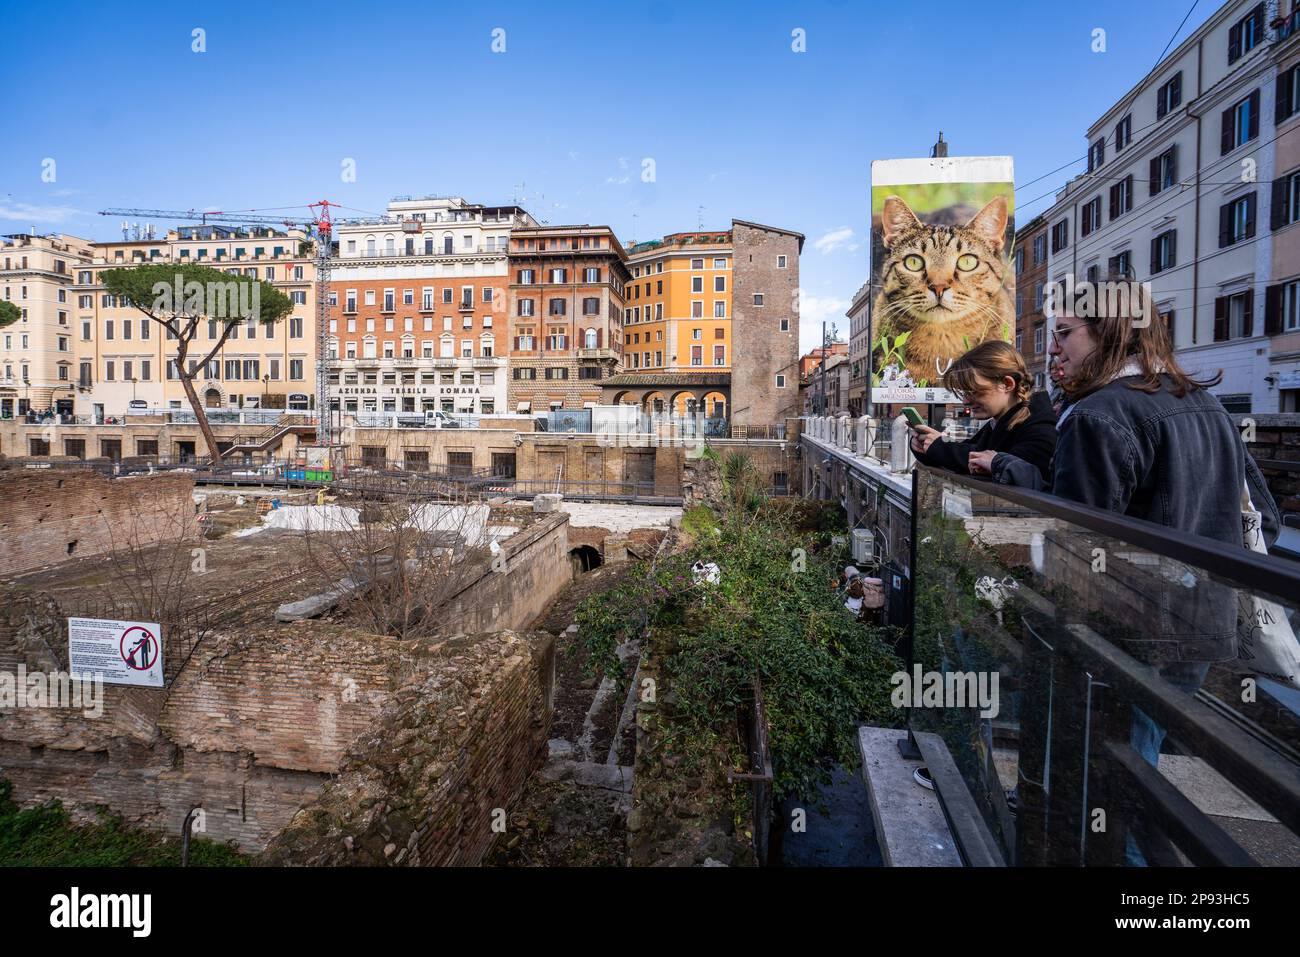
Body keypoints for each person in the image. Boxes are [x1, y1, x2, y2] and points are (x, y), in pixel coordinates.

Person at [909, 340, 1057, 483]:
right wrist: (927, 449)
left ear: (1007, 384)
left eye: (975, 391)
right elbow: (972, 453)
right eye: (964, 393)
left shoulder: (1040, 428)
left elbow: (993, 464)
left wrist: (938, 446)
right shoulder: (1001, 421)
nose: (965, 401)